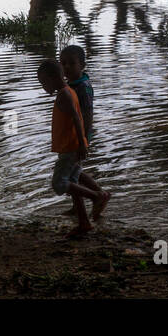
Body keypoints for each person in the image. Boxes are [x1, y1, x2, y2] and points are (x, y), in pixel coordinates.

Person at [38, 59, 106, 238]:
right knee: (73, 183)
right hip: (72, 146)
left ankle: (95, 196)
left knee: (59, 184)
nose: (43, 87)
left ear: (53, 78)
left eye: (43, 82)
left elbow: (77, 118)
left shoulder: (65, 95)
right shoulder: (68, 91)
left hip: (71, 148)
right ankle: (84, 222)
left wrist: (83, 143)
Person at [60, 45, 111, 221]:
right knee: (75, 171)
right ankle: (83, 203)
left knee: (69, 173)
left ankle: (99, 195)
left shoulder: (83, 87)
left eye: (71, 63)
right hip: (72, 136)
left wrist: (84, 140)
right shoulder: (72, 84)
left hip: (79, 137)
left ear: (82, 65)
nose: (66, 67)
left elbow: (88, 114)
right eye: (63, 63)